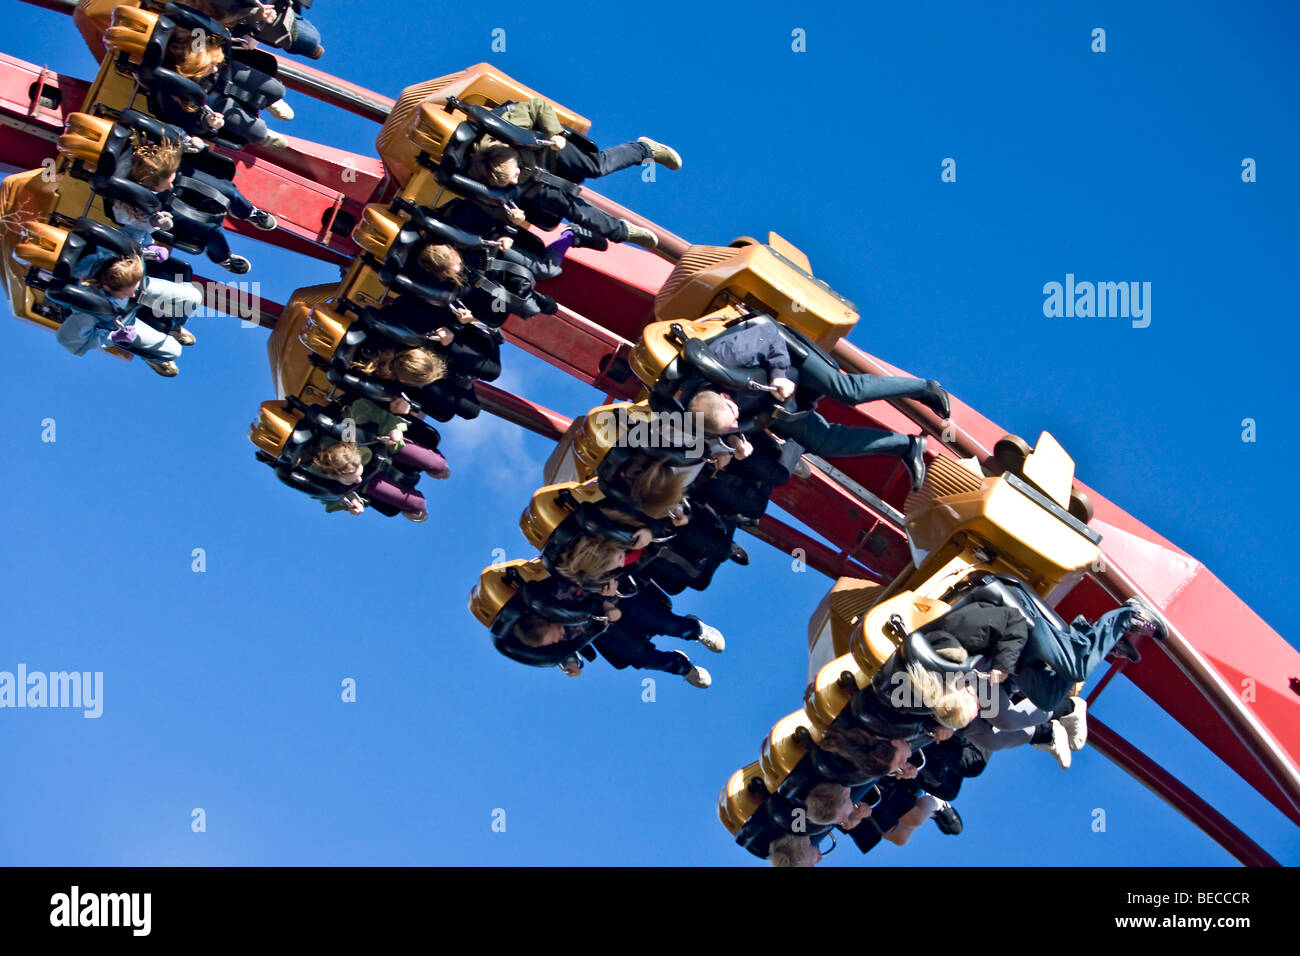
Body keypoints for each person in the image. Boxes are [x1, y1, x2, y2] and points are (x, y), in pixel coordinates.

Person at [684, 322, 950, 490]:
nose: (734, 423)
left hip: (786, 357)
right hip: (771, 401)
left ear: (727, 398)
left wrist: (777, 374)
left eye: (733, 416)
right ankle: (907, 446)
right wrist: (729, 448)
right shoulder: (707, 418)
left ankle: (925, 388)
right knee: (822, 442)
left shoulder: (726, 355)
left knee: (846, 391)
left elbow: (767, 335)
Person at [467, 142, 658, 250]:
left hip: (547, 152)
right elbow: (496, 210)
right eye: (507, 183)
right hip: (534, 188)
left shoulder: (502, 130)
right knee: (572, 209)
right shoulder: (483, 184)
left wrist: (554, 132)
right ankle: (622, 231)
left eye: (513, 176)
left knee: (595, 167)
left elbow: (537, 107)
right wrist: (512, 224)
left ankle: (644, 149)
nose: (514, 181)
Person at [54, 253, 200, 377]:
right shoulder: (89, 311)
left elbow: (133, 232)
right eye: (128, 291)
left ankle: (174, 327)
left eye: (133, 288)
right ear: (107, 288)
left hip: (141, 285)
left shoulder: (113, 257)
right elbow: (69, 340)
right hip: (121, 318)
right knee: (174, 350)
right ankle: (153, 357)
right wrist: (113, 337)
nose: (132, 294)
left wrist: (148, 244)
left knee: (194, 297)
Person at [303, 397, 449, 519]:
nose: (357, 479)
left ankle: (437, 468)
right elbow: (325, 497)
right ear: (330, 475)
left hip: (383, 443)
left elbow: (375, 412)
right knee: (416, 504)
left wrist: (395, 429)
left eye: (356, 474)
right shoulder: (318, 474)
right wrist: (351, 502)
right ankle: (413, 509)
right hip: (370, 481)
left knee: (439, 464)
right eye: (350, 479)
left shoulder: (356, 419)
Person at [150, 28, 292, 150]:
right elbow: (186, 120)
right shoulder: (171, 94)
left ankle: (268, 101)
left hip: (227, 70)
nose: (214, 68)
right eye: (208, 68)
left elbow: (218, 29)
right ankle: (264, 134)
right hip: (210, 101)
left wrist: (247, 34)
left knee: (277, 90)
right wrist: (208, 122)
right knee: (257, 132)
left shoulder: (195, 40)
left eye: (212, 64)